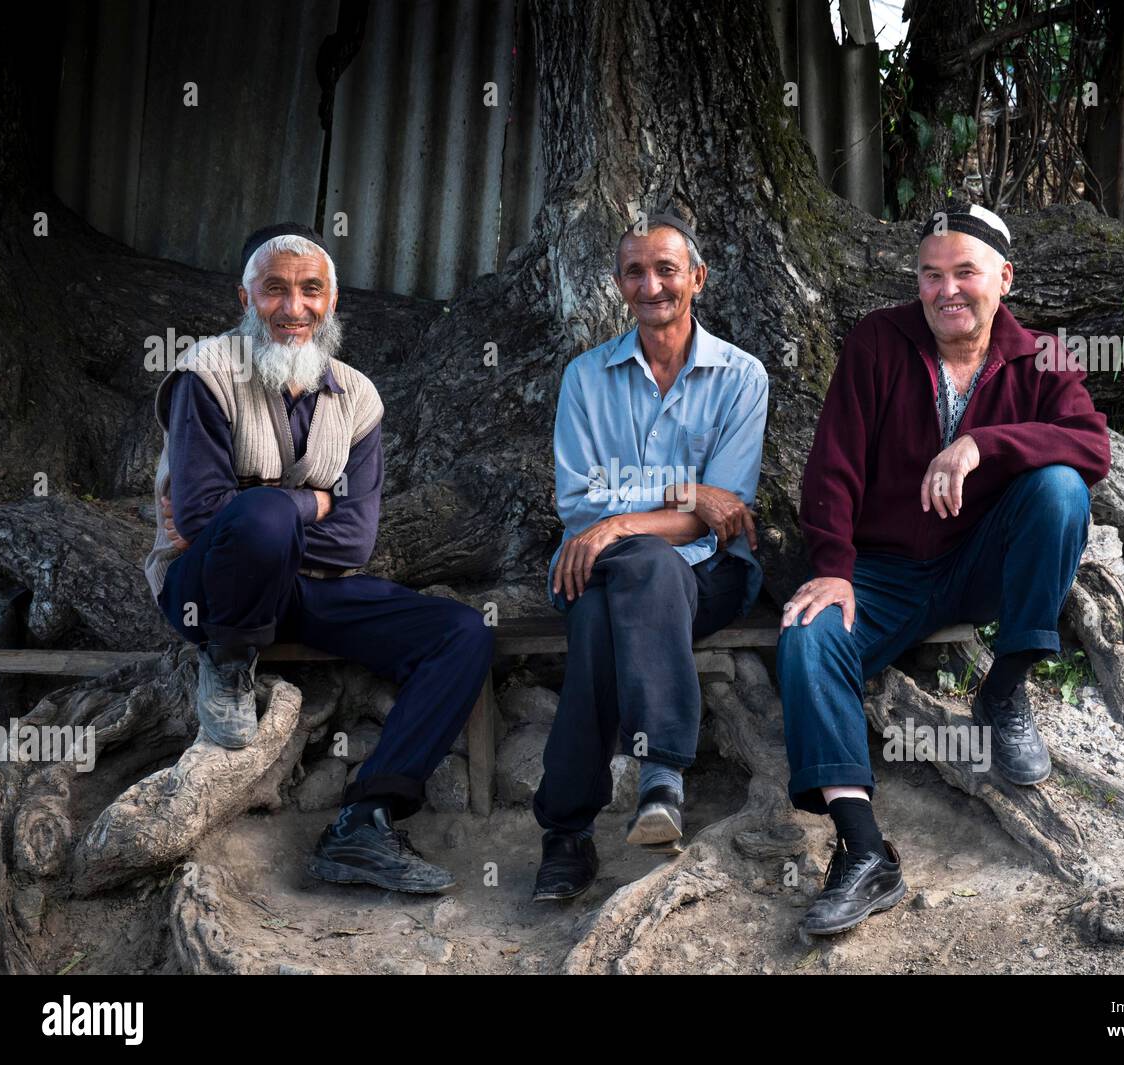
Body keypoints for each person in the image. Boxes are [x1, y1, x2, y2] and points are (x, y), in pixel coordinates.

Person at [777, 204, 1111, 935]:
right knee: (807, 635)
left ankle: (1005, 689)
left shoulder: (1043, 355)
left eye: (965, 272)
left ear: (1003, 277)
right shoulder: (877, 340)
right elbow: (830, 467)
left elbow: (1091, 448)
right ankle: (864, 851)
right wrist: (834, 567)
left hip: (977, 566)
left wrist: (982, 445)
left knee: (1059, 488)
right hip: (884, 571)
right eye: (932, 275)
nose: (947, 289)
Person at [145, 222, 494, 894]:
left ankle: (364, 821)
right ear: (245, 299)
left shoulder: (357, 397)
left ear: (330, 303)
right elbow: (197, 518)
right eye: (274, 289)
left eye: (310, 290)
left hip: (307, 588)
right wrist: (306, 504)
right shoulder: (205, 375)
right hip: (209, 593)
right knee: (265, 519)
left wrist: (258, 512)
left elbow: (356, 539)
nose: (293, 307)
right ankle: (228, 665)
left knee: (461, 632)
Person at [531, 212, 769, 901]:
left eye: (667, 268)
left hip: (709, 574)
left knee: (611, 603)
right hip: (602, 561)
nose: (651, 283)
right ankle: (660, 774)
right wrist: (684, 495)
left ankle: (565, 835)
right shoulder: (586, 377)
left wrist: (624, 522)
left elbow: (729, 513)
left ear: (696, 277)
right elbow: (582, 500)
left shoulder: (740, 377)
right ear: (617, 284)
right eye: (635, 270)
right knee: (640, 566)